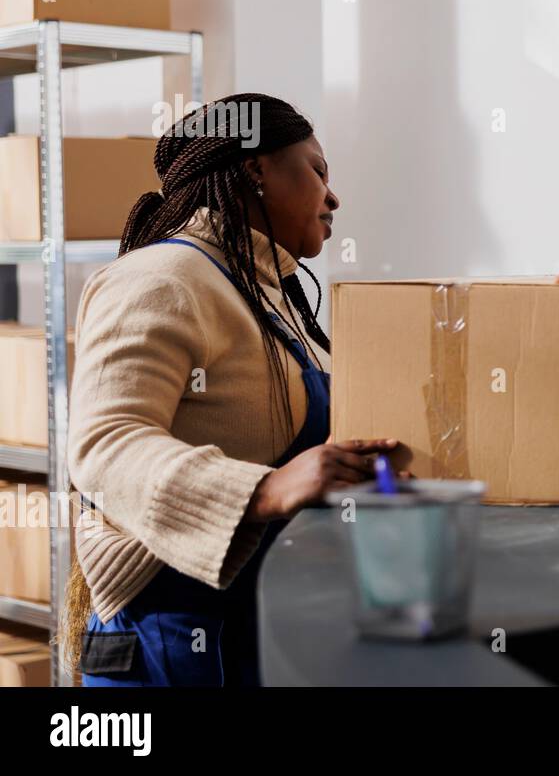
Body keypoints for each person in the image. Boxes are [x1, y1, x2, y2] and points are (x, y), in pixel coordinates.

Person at [62, 93, 400, 685]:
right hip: (172, 640)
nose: (333, 196)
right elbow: (104, 445)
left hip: (254, 628)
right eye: (317, 170)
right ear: (255, 170)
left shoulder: (273, 294)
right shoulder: (160, 277)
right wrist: (264, 490)